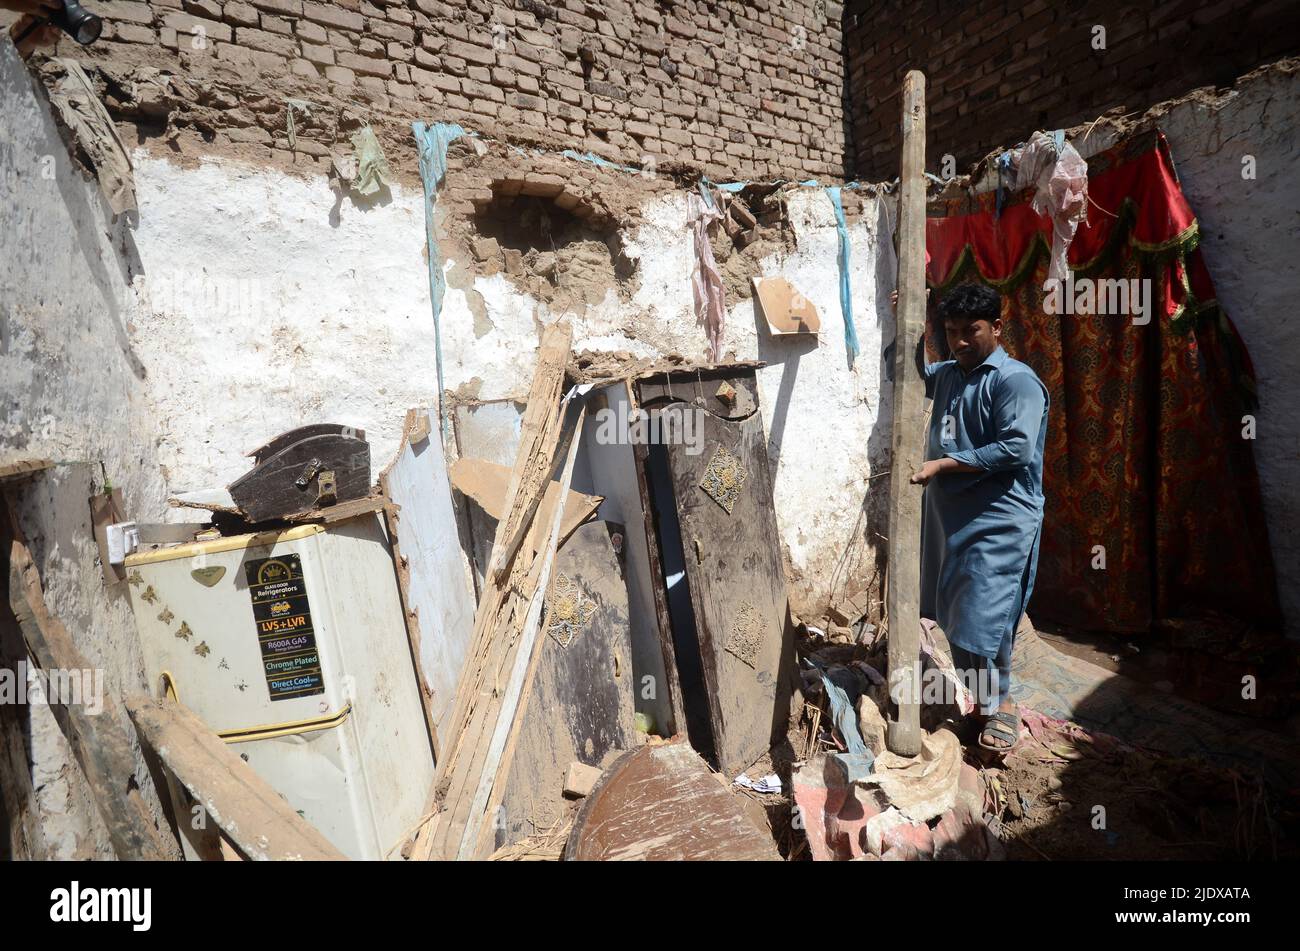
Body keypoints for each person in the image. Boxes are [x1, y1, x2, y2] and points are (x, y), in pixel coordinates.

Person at [909, 283, 1048, 756]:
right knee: (953, 615)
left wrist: (943, 465)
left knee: (985, 615)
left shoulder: (1015, 381)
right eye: (952, 332)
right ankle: (982, 704)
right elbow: (905, 376)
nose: (961, 342)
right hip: (951, 517)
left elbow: (1016, 447)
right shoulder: (948, 374)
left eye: (972, 331)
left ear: (997, 328)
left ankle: (1001, 703)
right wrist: (905, 325)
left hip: (1000, 518)